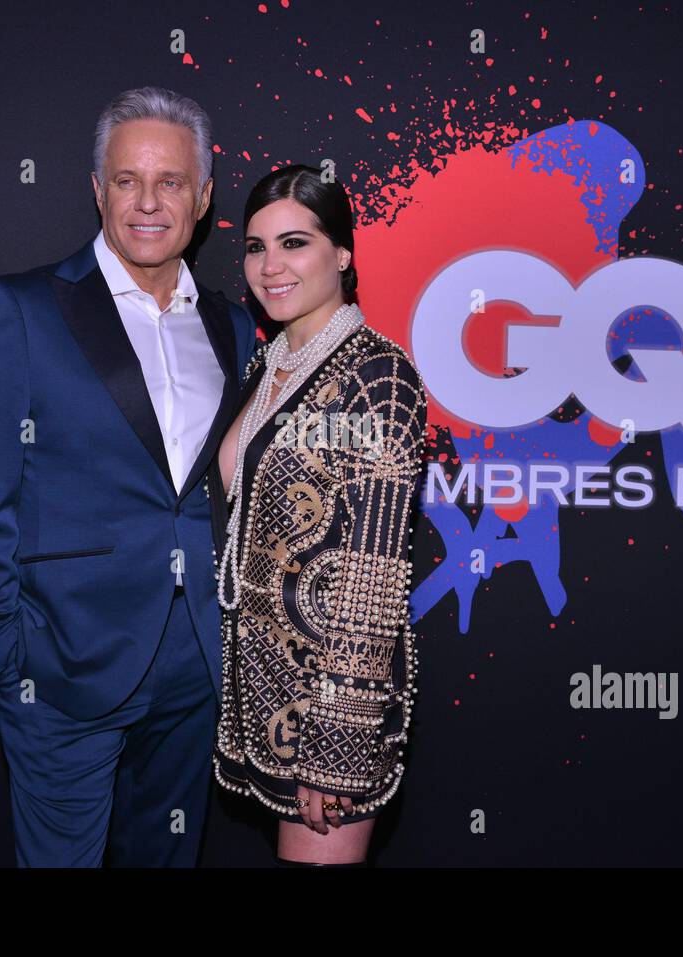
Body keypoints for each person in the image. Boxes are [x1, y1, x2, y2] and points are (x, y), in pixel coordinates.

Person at [0, 86, 256, 867]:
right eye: (126, 180)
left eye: (171, 182)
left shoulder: (236, 325)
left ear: (205, 196)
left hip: (196, 667)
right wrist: (1, 652)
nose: (148, 202)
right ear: (97, 188)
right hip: (63, 664)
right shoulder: (21, 309)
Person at [213, 165, 428, 866]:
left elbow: (373, 575)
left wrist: (336, 743)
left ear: (343, 254)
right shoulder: (270, 363)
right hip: (265, 694)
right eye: (255, 246)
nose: (270, 267)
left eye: (295, 243)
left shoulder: (378, 377)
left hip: (331, 706)